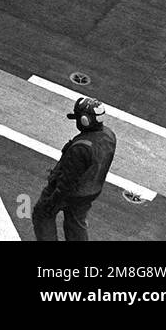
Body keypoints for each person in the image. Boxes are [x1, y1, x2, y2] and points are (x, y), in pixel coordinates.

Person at [32, 97, 117, 241]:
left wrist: (51, 202)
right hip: (90, 192)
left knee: (42, 215)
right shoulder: (109, 135)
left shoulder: (81, 147)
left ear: (85, 120)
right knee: (76, 224)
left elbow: (67, 182)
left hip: (70, 193)